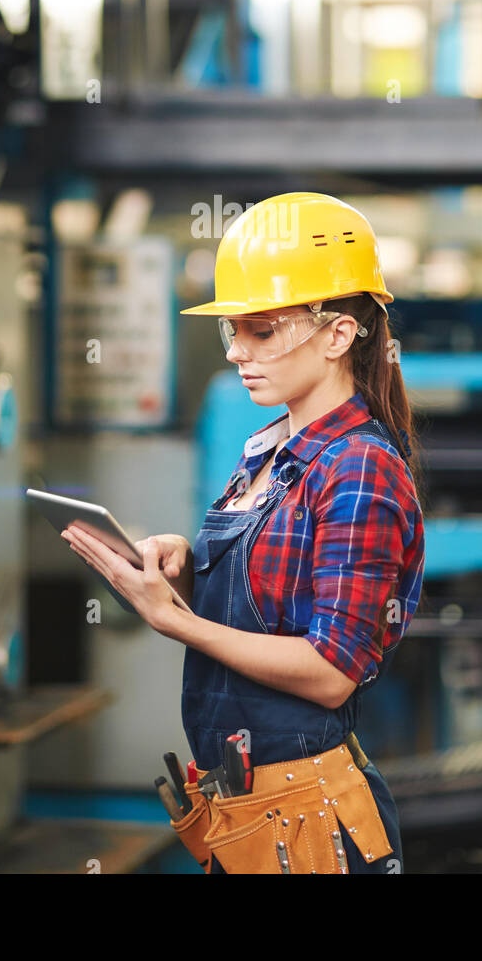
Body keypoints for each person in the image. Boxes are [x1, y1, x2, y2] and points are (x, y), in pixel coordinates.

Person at [63, 191, 425, 874]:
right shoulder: (268, 448)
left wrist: (179, 624)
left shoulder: (360, 472)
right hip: (244, 808)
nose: (236, 352)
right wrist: (188, 571)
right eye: (232, 331)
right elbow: (275, 602)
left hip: (312, 821)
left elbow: (329, 674)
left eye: (261, 331)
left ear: (339, 335)